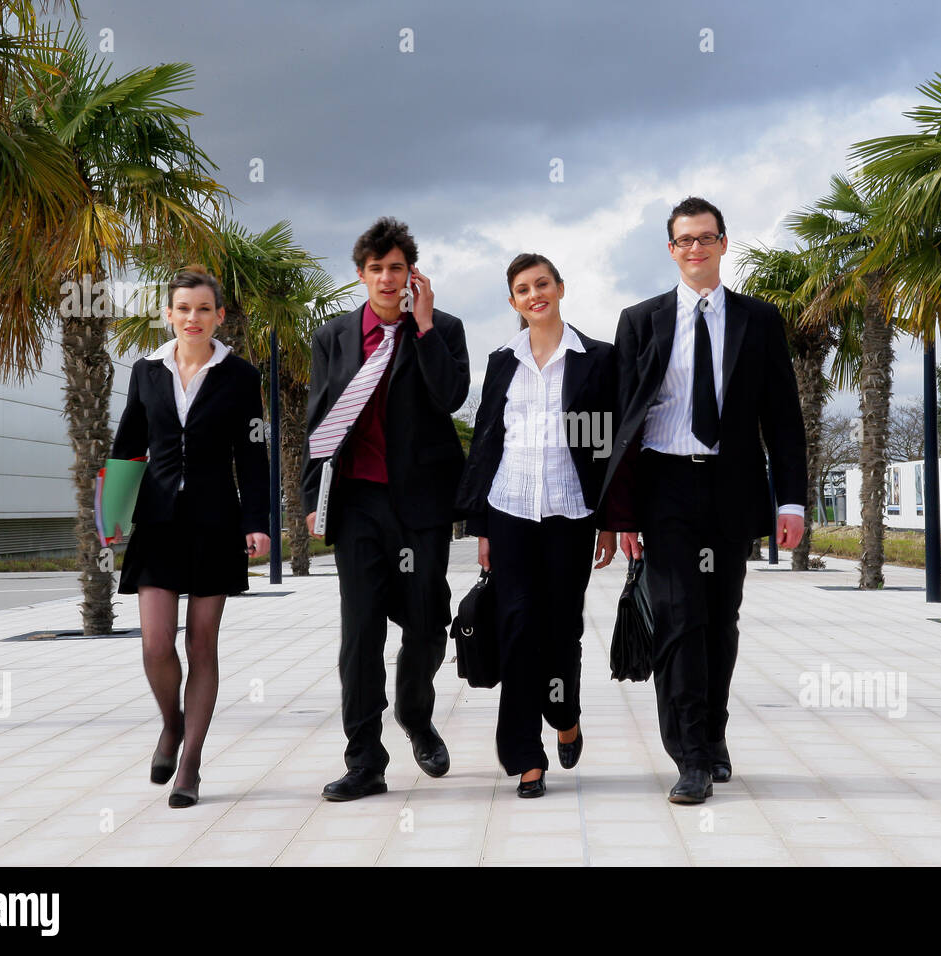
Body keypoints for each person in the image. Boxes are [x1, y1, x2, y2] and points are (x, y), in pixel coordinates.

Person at [600, 197, 808, 804]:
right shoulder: (640, 321)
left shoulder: (759, 320)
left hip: (732, 489)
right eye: (684, 240)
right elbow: (620, 421)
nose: (695, 248)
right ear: (672, 250)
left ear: (723, 243)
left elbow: (785, 420)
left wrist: (790, 502)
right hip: (664, 487)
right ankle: (689, 755)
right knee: (679, 618)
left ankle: (713, 741)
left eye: (706, 238)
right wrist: (621, 513)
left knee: (721, 620)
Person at [302, 217, 471, 802]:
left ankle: (415, 715)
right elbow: (319, 419)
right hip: (357, 502)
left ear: (411, 274)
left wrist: (422, 328)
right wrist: (308, 498)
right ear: (361, 275)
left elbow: (451, 396)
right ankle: (364, 760)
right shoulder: (334, 338)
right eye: (375, 269)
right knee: (360, 633)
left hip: (421, 504)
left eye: (396, 267)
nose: (385, 277)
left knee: (427, 624)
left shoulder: (444, 329)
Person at [457, 254, 618, 798]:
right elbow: (486, 442)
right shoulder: (501, 360)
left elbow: (607, 446)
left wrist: (612, 519)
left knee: (561, 630)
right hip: (510, 511)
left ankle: (566, 713)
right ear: (513, 302)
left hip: (572, 514)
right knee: (518, 629)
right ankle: (526, 756)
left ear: (560, 288)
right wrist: (480, 523)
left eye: (542, 284)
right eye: (523, 289)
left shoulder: (597, 359)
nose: (534, 294)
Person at [111, 265, 272, 809]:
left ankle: (191, 763)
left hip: (215, 520)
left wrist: (257, 522)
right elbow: (130, 443)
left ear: (219, 315)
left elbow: (253, 452)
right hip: (156, 521)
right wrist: (112, 513)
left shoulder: (241, 376)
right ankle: (171, 723)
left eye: (204, 309)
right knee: (156, 643)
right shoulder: (147, 371)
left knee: (201, 642)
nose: (193, 318)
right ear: (169, 314)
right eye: (183, 308)